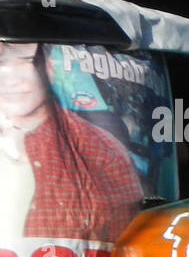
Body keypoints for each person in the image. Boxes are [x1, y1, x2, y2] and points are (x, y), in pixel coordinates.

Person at [0, 42, 142, 242]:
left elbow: (123, 246)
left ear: (49, 69)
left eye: (27, 63)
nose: (12, 80)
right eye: (1, 64)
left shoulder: (101, 150)